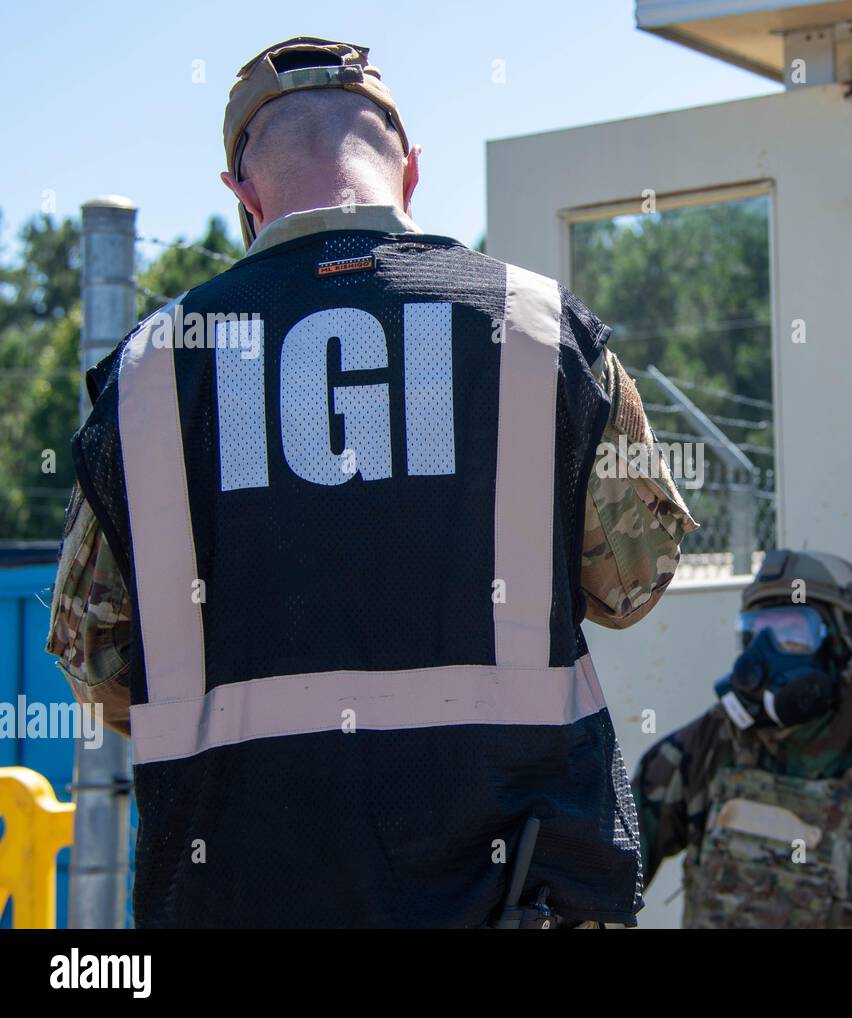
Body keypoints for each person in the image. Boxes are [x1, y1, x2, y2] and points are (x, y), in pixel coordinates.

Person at [45, 36, 696, 928]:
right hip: (518, 896)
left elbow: (100, 663)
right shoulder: (538, 328)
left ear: (243, 195)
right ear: (413, 171)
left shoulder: (153, 372)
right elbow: (630, 585)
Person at [632, 549, 852, 928]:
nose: (762, 657)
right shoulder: (712, 744)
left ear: (848, 644)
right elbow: (606, 857)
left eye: (791, 633)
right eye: (754, 633)